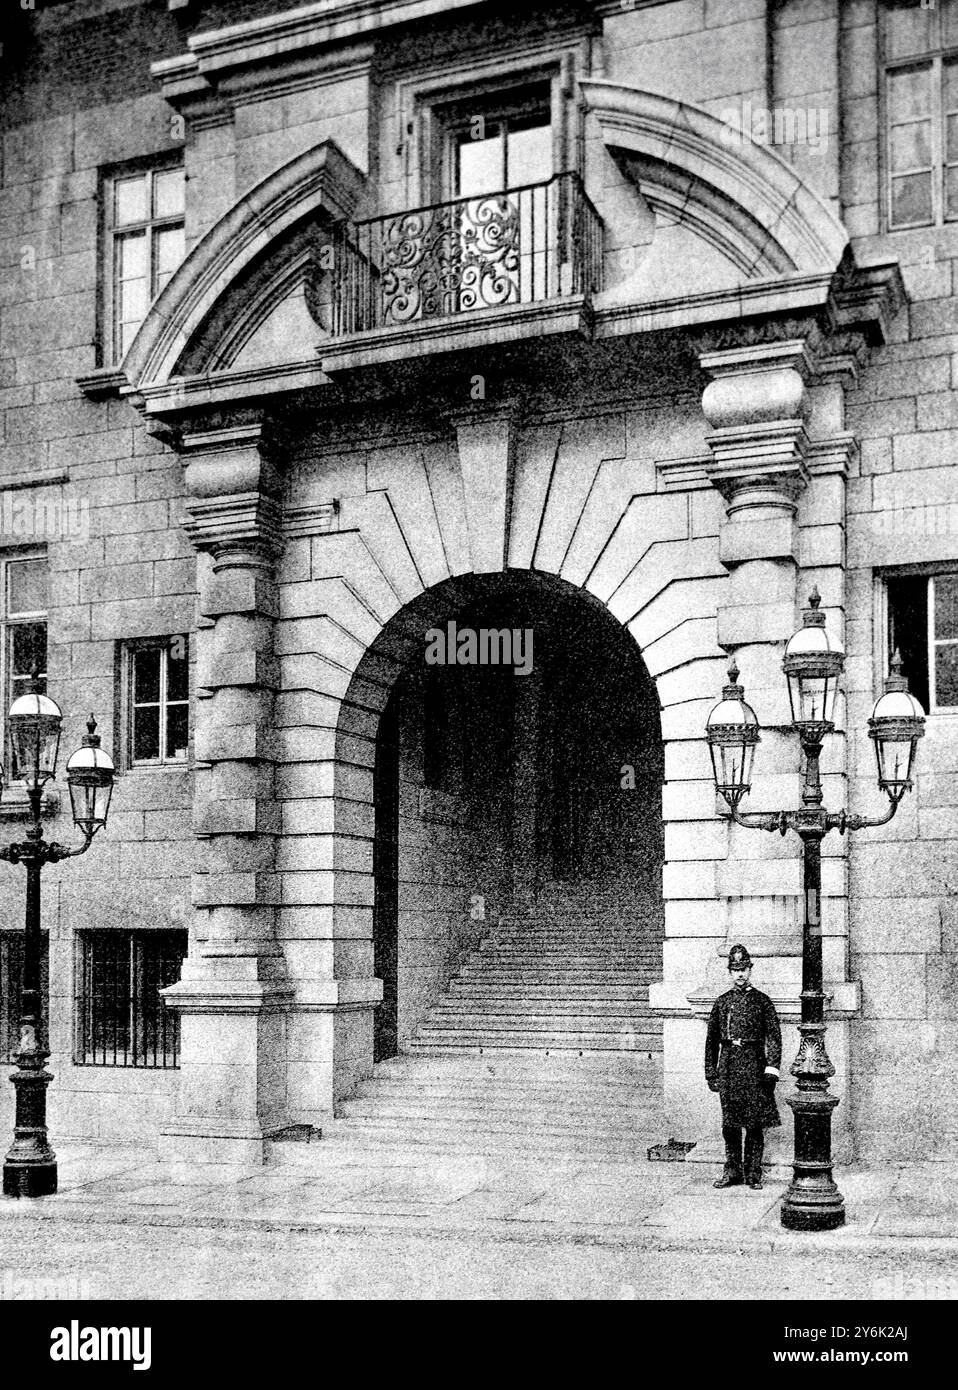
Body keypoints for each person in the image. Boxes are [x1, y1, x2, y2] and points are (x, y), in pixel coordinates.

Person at [704, 944, 782, 1190]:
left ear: (750, 970)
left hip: (754, 1065)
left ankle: (753, 1173)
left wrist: (771, 1069)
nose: (740, 974)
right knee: (730, 1124)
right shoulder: (722, 1003)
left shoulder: (762, 1002)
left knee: (754, 1123)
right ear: (729, 972)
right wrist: (711, 1073)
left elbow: (774, 1037)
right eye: (735, 969)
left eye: (744, 969)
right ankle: (732, 1171)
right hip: (728, 1065)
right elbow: (711, 1042)